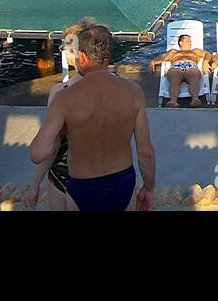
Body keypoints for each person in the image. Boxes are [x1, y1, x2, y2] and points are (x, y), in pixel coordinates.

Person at [30, 24, 155, 212]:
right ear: (108, 54)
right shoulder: (133, 92)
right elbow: (145, 152)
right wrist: (149, 187)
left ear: (81, 56)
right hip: (121, 181)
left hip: (82, 186)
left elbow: (37, 154)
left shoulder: (64, 97)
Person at [27, 18, 94, 210]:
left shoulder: (61, 92)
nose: (62, 52)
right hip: (108, 171)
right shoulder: (117, 84)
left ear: (74, 51)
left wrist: (34, 185)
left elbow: (51, 144)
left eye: (63, 47)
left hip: (65, 172)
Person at [148, 34, 214, 106]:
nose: (190, 42)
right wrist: (153, 61)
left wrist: (205, 62)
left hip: (190, 65)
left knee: (194, 74)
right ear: (181, 43)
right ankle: (173, 101)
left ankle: (195, 99)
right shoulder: (174, 52)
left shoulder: (195, 51)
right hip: (177, 65)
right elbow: (163, 57)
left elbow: (207, 54)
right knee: (174, 76)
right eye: (187, 41)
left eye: (190, 41)